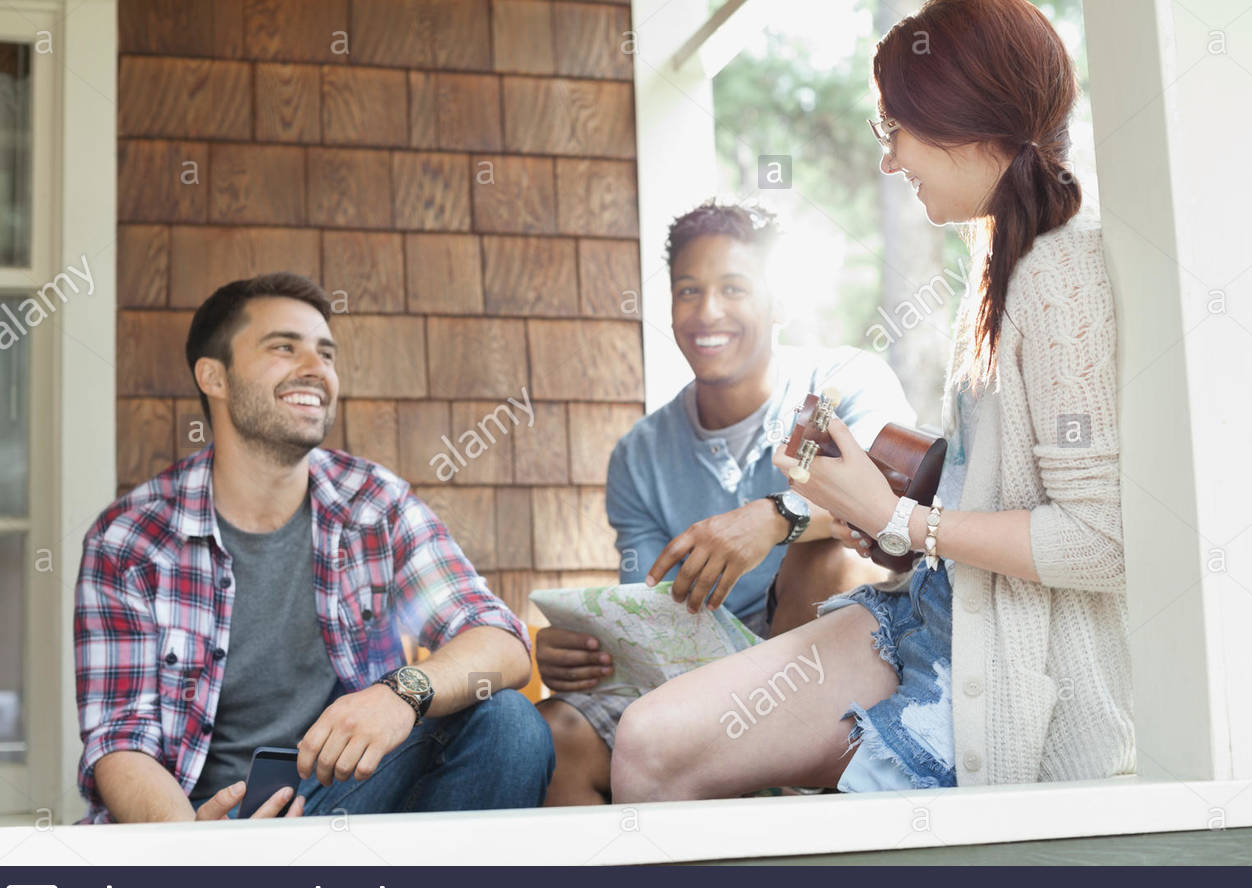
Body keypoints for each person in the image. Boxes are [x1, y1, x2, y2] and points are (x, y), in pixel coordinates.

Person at [611, 0, 1133, 801]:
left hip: (989, 650)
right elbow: (990, 495)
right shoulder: (1002, 266)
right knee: (648, 743)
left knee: (659, 753)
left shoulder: (1062, 274)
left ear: (962, 118)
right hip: (931, 611)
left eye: (896, 131)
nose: (889, 161)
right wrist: (875, 503)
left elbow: (1102, 539)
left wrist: (898, 520)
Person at [74, 272, 553, 824]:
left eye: (326, 353)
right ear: (214, 376)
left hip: (341, 804)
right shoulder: (129, 538)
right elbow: (120, 739)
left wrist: (402, 692)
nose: (316, 369)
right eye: (284, 347)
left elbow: (499, 641)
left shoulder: (374, 504)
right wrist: (195, 853)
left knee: (508, 721)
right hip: (204, 825)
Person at [536, 201, 917, 805]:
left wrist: (776, 517)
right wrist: (586, 650)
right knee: (555, 732)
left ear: (777, 302)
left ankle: (786, 790)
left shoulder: (848, 379)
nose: (707, 311)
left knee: (824, 560)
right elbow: (649, 603)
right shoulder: (639, 455)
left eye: (733, 288)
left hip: (833, 660)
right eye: (689, 291)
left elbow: (894, 503)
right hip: (701, 667)